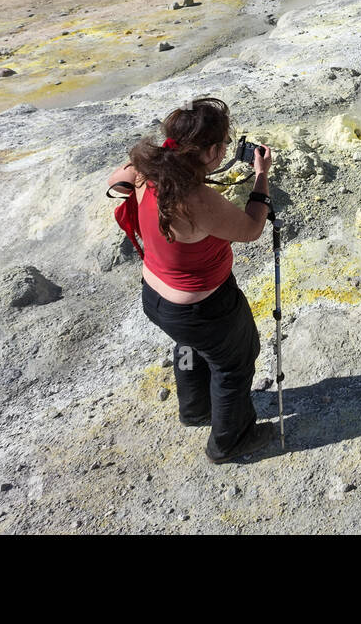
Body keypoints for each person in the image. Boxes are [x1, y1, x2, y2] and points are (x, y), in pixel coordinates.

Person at [106, 97, 278, 464]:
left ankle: (195, 408)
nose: (226, 151)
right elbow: (250, 229)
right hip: (204, 307)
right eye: (225, 146)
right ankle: (229, 442)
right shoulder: (195, 199)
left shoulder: (146, 169)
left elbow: (116, 181)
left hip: (155, 298)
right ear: (212, 150)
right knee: (233, 365)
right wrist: (261, 177)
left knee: (188, 347)